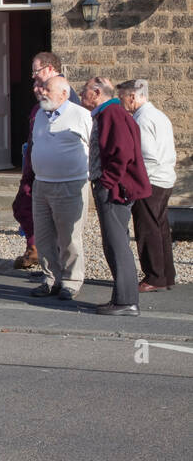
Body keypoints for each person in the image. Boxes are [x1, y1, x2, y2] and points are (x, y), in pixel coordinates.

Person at [83, 78, 151, 315]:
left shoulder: (112, 113)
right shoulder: (110, 113)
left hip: (113, 189)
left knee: (116, 243)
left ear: (97, 93)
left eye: (85, 90)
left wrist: (107, 181)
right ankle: (122, 298)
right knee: (114, 241)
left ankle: (125, 301)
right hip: (111, 186)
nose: (81, 94)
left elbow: (122, 151)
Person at [11, 54, 79, 270]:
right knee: (23, 206)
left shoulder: (65, 96)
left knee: (50, 218)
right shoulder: (42, 102)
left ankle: (54, 262)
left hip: (54, 172)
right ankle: (38, 251)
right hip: (35, 164)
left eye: (36, 71)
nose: (34, 80)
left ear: (49, 69)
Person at [29, 75, 91, 301]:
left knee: (69, 236)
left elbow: (95, 147)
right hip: (42, 184)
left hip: (70, 184)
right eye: (42, 88)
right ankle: (50, 278)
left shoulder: (80, 115)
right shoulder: (40, 115)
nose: (42, 92)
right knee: (43, 237)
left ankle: (72, 280)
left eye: (48, 89)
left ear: (64, 94)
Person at [118, 79, 177, 292]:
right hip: (164, 178)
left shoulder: (141, 120)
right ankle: (166, 275)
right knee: (160, 228)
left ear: (132, 97)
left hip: (151, 180)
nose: (120, 101)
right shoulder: (159, 116)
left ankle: (154, 277)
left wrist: (137, 179)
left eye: (122, 96)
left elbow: (147, 155)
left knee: (147, 229)